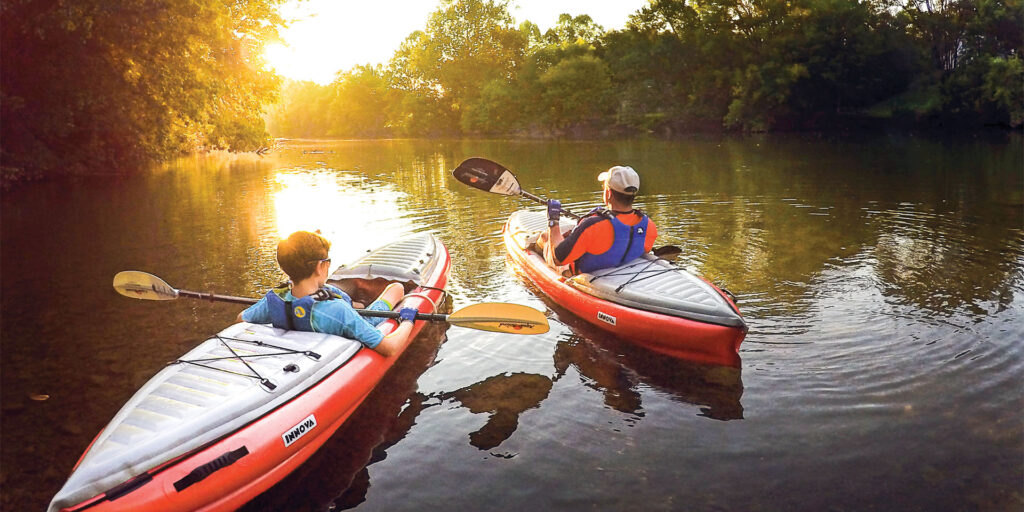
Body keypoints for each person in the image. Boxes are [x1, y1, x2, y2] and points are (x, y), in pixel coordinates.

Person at [237, 230, 418, 357]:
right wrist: (408, 319)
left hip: (332, 317)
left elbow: (241, 319)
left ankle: (361, 305)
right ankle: (364, 306)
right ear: (319, 266)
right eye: (328, 261)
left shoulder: (276, 299)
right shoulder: (336, 310)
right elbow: (390, 348)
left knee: (339, 296)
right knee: (397, 289)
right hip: (354, 322)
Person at [537, 165, 658, 274]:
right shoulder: (649, 225)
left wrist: (553, 220)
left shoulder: (592, 226)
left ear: (608, 193)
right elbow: (641, 248)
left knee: (545, 237)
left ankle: (563, 272)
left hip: (585, 274)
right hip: (622, 265)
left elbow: (559, 258)